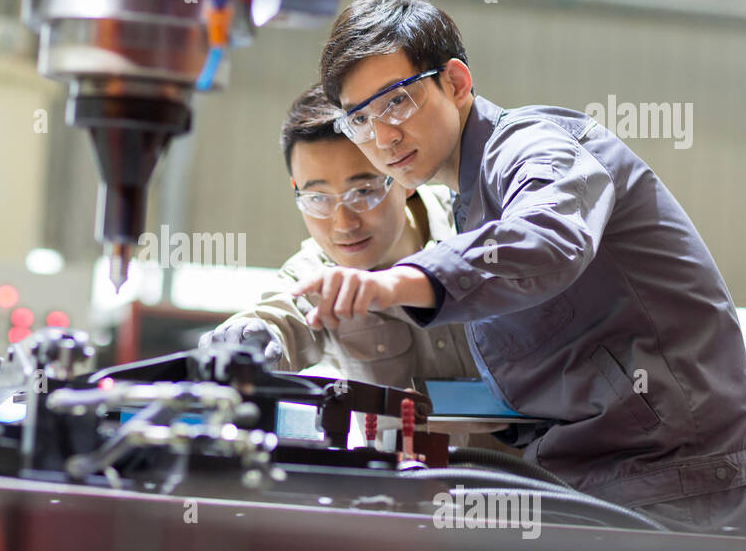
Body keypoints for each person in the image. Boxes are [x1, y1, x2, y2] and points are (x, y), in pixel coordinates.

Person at [291, 0, 746, 537]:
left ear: (455, 81)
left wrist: (400, 281)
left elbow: (548, 237)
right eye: (360, 119)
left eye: (396, 101)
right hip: (596, 474)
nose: (382, 137)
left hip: (674, 475)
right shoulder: (471, 199)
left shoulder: (533, 146)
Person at [201, 85, 518, 452]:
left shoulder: (477, 230)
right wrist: (251, 336)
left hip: (537, 486)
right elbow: (281, 316)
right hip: (409, 496)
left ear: (402, 174)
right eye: (317, 198)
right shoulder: (313, 276)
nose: (343, 224)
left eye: (364, 191)